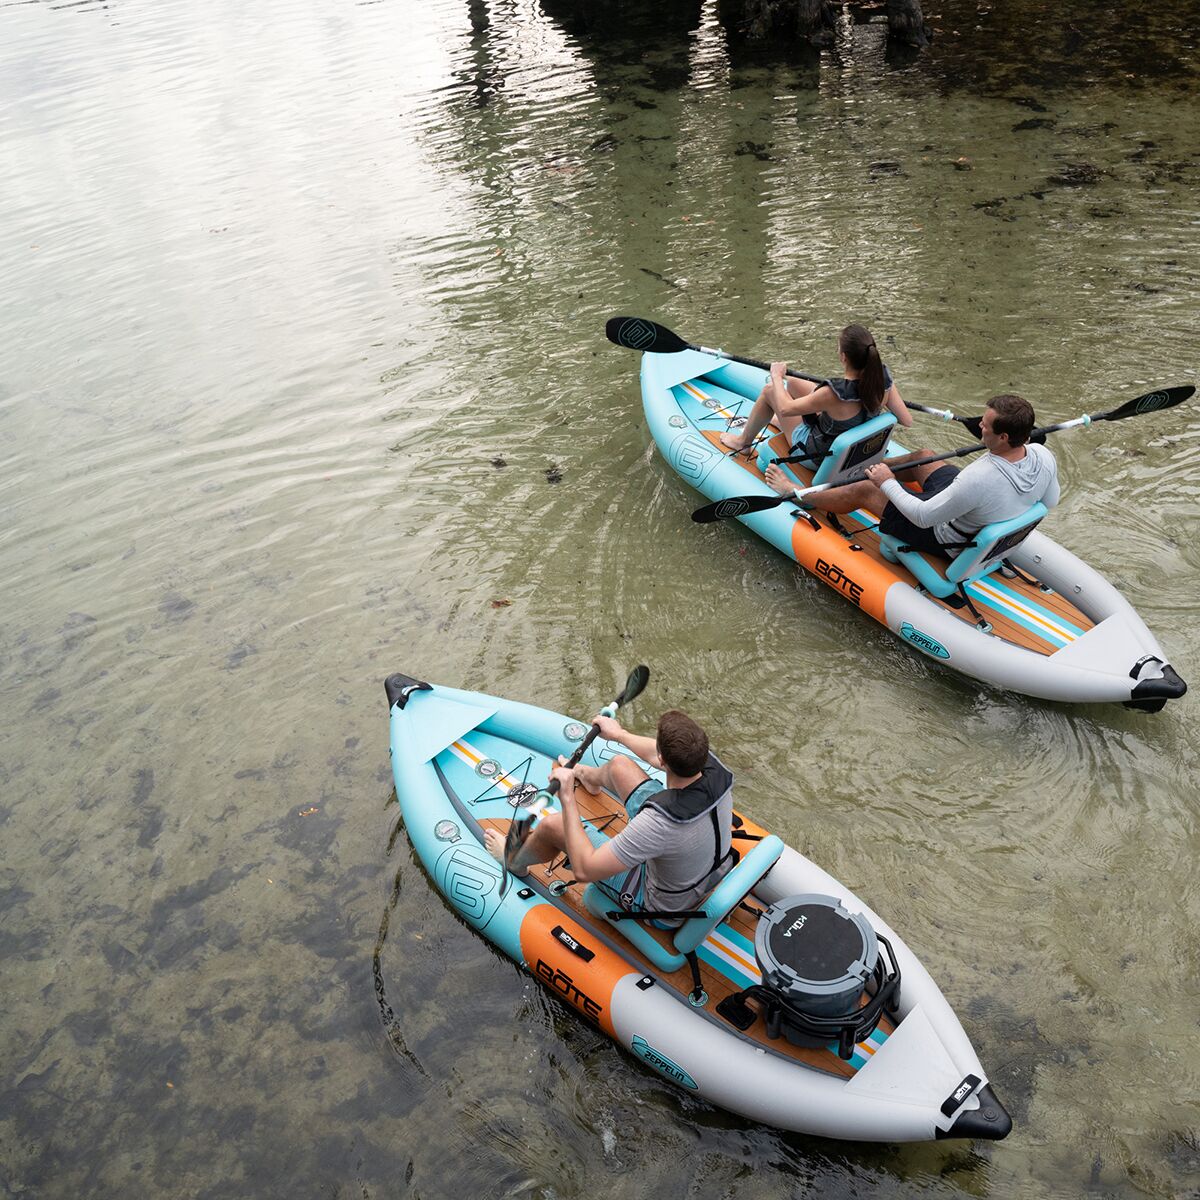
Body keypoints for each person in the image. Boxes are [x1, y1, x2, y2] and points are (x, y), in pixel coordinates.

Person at [483, 710, 734, 923]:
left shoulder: (659, 823)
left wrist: (567, 796)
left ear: (663, 759)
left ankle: (514, 860)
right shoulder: (711, 766)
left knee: (552, 825)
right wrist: (619, 734)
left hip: (661, 904)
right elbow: (654, 753)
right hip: (699, 869)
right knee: (619, 766)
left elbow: (585, 870)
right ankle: (588, 778)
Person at [766, 393, 1060, 557]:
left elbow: (923, 517)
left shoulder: (979, 477)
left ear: (1005, 436)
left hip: (946, 535)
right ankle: (865, 468)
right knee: (923, 457)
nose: (979, 427)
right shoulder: (1043, 456)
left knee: (868, 489)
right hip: (975, 512)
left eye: (985, 425)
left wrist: (886, 482)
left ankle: (802, 495)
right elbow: (1050, 500)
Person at [719, 324, 912, 465]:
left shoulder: (832, 394)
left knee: (770, 391)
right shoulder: (883, 379)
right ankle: (782, 424)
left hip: (818, 455)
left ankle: (742, 442)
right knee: (793, 382)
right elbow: (906, 420)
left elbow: (786, 409)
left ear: (843, 356)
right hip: (853, 445)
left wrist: (777, 376)